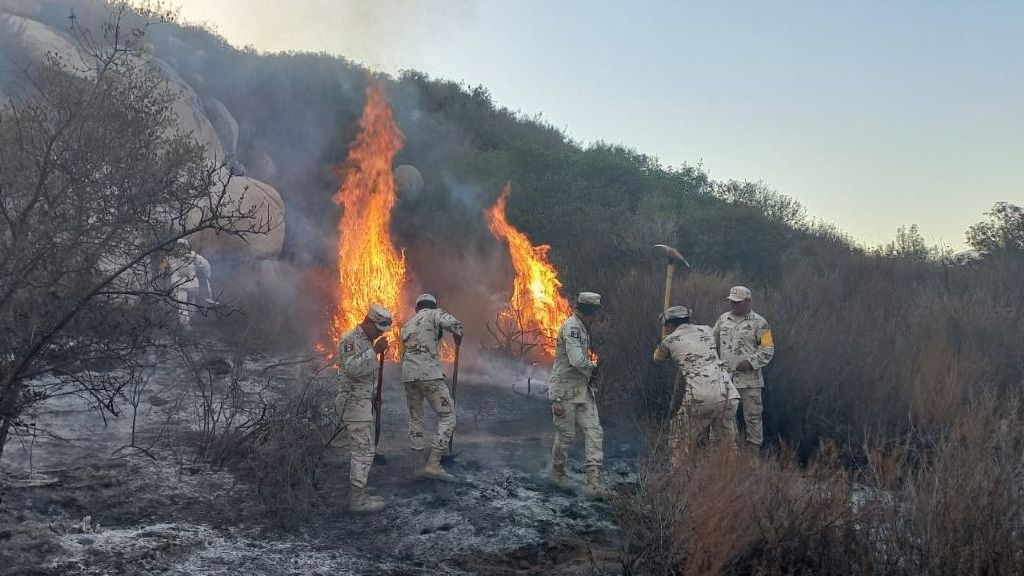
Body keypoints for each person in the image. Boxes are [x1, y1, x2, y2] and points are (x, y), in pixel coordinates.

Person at [654, 306, 739, 465]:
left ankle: (680, 480)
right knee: (727, 443)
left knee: (679, 439)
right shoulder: (707, 330)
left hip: (701, 396)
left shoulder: (669, 340)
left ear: (670, 325)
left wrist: (662, 340)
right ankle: (730, 478)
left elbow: (658, 358)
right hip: (727, 393)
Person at [548, 292, 611, 499]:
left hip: (583, 392)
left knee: (594, 432)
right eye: (595, 313)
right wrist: (594, 367)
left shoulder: (583, 328)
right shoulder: (572, 327)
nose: (596, 318)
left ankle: (593, 483)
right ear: (590, 312)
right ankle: (557, 474)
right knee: (566, 436)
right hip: (565, 392)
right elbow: (576, 360)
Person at [400, 293, 463, 482]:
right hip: (429, 375)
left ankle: (419, 465)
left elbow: (403, 353)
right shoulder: (435, 314)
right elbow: (455, 324)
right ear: (433, 306)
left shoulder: (407, 325)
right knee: (448, 416)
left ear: (416, 308)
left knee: (416, 418)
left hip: (409, 376)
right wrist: (458, 334)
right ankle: (434, 464)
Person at [336, 305, 392, 513]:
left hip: (362, 401)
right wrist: (374, 352)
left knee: (366, 449)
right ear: (367, 322)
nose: (379, 334)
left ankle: (359, 493)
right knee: (363, 450)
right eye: (377, 329)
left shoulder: (366, 341)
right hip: (352, 402)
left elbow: (365, 377)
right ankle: (357, 500)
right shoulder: (351, 340)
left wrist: (374, 396)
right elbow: (351, 369)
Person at [713, 286, 775, 449]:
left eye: (737, 302)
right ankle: (727, 453)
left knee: (753, 417)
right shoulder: (723, 320)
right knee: (724, 417)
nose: (733, 305)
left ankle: (753, 454)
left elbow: (768, 349)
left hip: (750, 381)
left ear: (748, 302)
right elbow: (711, 341)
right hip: (725, 379)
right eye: (732, 302)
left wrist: (750, 362)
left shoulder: (760, 323)